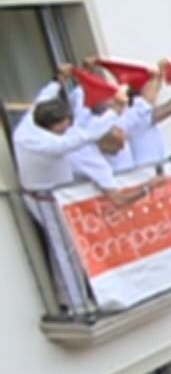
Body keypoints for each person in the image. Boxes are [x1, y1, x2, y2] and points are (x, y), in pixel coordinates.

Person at [10, 83, 144, 312]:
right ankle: (78, 305)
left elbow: (43, 96)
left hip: (40, 195)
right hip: (45, 201)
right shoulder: (51, 144)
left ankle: (67, 296)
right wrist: (115, 110)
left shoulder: (28, 124)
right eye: (65, 124)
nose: (69, 127)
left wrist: (58, 80)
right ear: (54, 126)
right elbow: (87, 135)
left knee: (60, 249)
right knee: (66, 251)